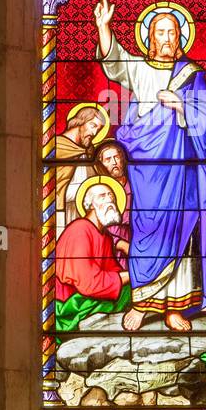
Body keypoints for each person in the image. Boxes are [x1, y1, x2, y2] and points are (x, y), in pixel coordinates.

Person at [95, 0, 206, 331]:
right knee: (146, 229)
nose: (167, 39)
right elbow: (115, 61)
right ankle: (141, 301)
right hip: (145, 169)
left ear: (180, 39)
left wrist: (182, 106)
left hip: (180, 170)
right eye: (160, 33)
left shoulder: (191, 75)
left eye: (173, 33)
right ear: (150, 39)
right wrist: (104, 27)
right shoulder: (140, 68)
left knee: (181, 230)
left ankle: (174, 309)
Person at [54, 177, 132, 332]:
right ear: (89, 205)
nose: (110, 200)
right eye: (102, 196)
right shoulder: (79, 230)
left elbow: (113, 269)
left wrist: (130, 276)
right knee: (132, 288)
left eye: (112, 196)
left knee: (135, 289)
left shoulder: (106, 236)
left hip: (93, 294)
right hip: (70, 304)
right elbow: (88, 283)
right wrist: (132, 275)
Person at [54, 103, 105, 228]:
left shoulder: (90, 152)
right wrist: (83, 190)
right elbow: (54, 189)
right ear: (80, 122)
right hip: (64, 214)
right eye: (92, 126)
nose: (94, 133)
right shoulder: (57, 148)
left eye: (97, 130)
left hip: (88, 215)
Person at [92, 140, 131, 263]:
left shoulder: (134, 185)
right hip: (108, 246)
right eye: (108, 159)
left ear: (122, 160)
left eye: (116, 157)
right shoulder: (98, 191)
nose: (114, 162)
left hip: (134, 240)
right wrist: (120, 244)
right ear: (101, 164)